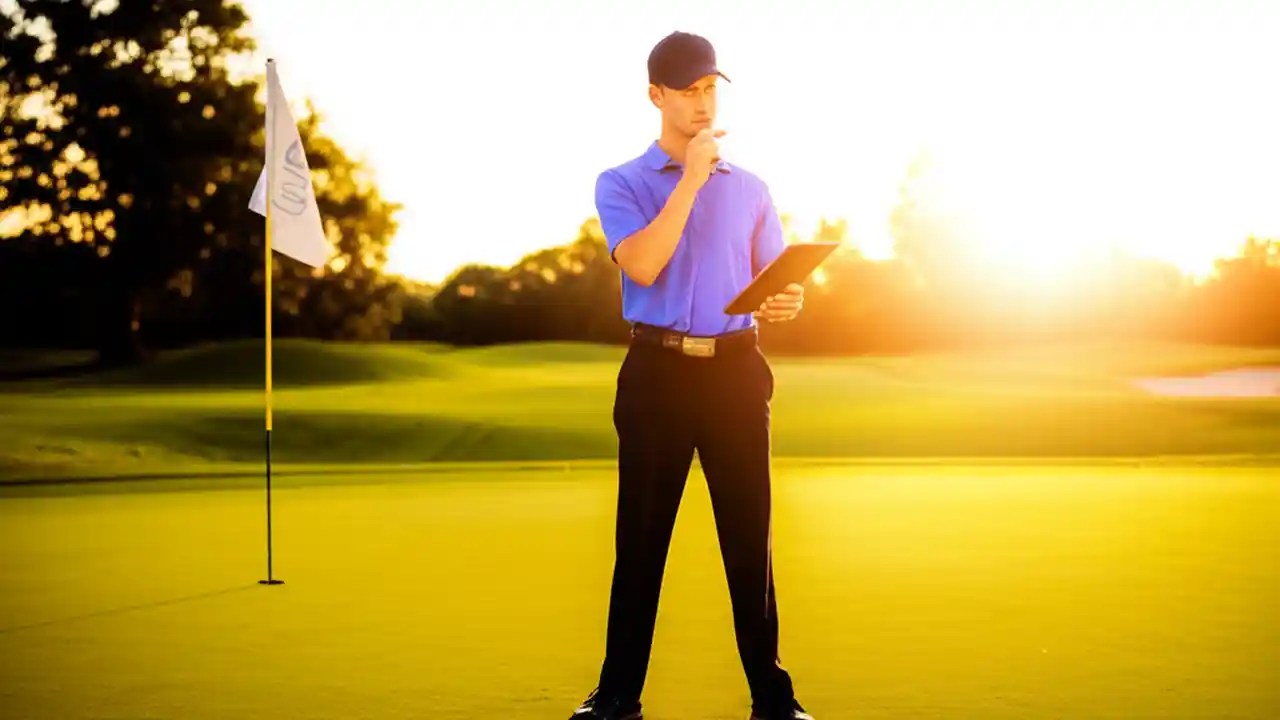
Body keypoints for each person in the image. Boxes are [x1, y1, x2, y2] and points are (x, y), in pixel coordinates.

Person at [568, 30, 814, 720]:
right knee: (640, 542)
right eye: (688, 90)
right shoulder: (621, 183)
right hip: (657, 374)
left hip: (737, 373)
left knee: (749, 541)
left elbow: (774, 282)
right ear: (657, 96)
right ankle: (617, 697)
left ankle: (773, 698)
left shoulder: (755, 189)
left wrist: (789, 299)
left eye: (711, 88)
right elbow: (643, 264)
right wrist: (692, 180)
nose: (703, 102)